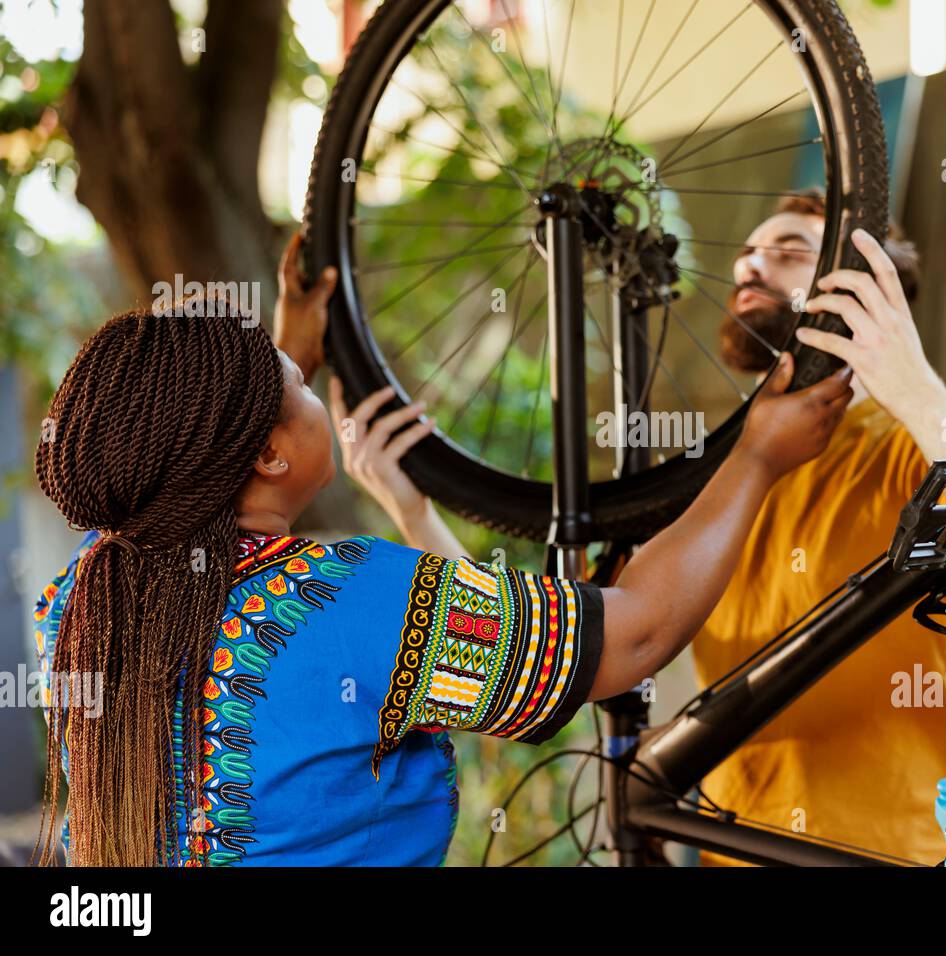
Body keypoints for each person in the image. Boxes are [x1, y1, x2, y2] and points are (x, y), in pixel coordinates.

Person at [30, 233, 853, 867]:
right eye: (304, 389)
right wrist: (755, 459)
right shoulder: (352, 601)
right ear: (268, 456)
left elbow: (177, 472)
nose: (314, 389)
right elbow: (632, 636)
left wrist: (284, 358)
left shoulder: (78, 603)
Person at [694, 190, 946, 865]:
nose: (748, 267)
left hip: (907, 854)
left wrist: (914, 388)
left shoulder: (917, 444)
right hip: (730, 852)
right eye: (745, 255)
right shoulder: (714, 475)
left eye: (789, 250)